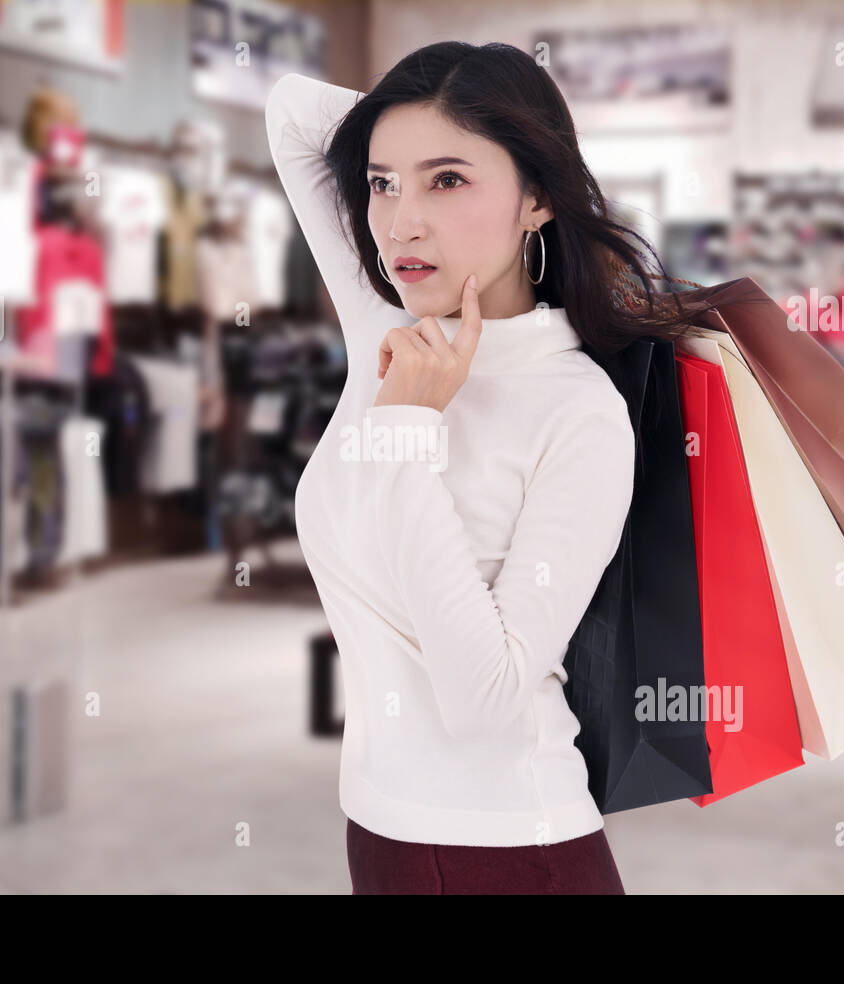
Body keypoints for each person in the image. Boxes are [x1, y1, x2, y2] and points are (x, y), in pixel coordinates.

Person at [265, 41, 713, 895]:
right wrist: (443, 106)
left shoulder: (577, 411)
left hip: (511, 852)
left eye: (449, 180)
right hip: (380, 833)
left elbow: (485, 700)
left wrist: (406, 434)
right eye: (382, 182)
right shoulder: (388, 331)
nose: (401, 223)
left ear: (538, 196)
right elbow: (291, 110)